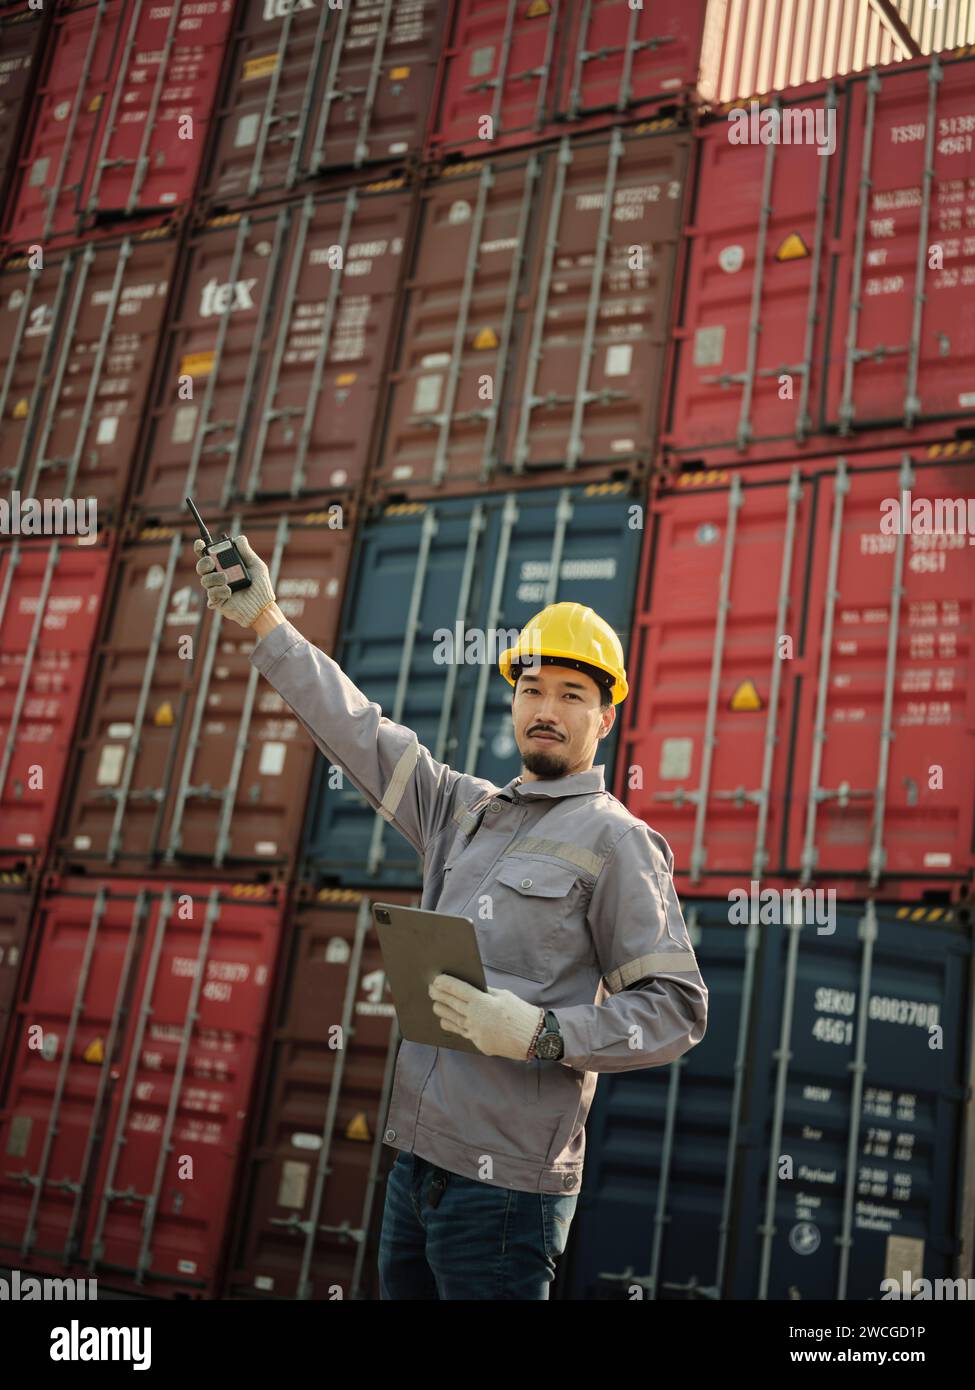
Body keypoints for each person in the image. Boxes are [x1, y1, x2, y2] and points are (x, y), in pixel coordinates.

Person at [195, 533, 708, 1301]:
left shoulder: (619, 842)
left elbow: (676, 1010)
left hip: (505, 1204)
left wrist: (542, 1034)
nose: (546, 709)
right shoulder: (461, 810)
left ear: (604, 719)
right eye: (533, 690)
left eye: (572, 696)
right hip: (414, 1169)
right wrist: (267, 618)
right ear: (512, 701)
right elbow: (358, 731)